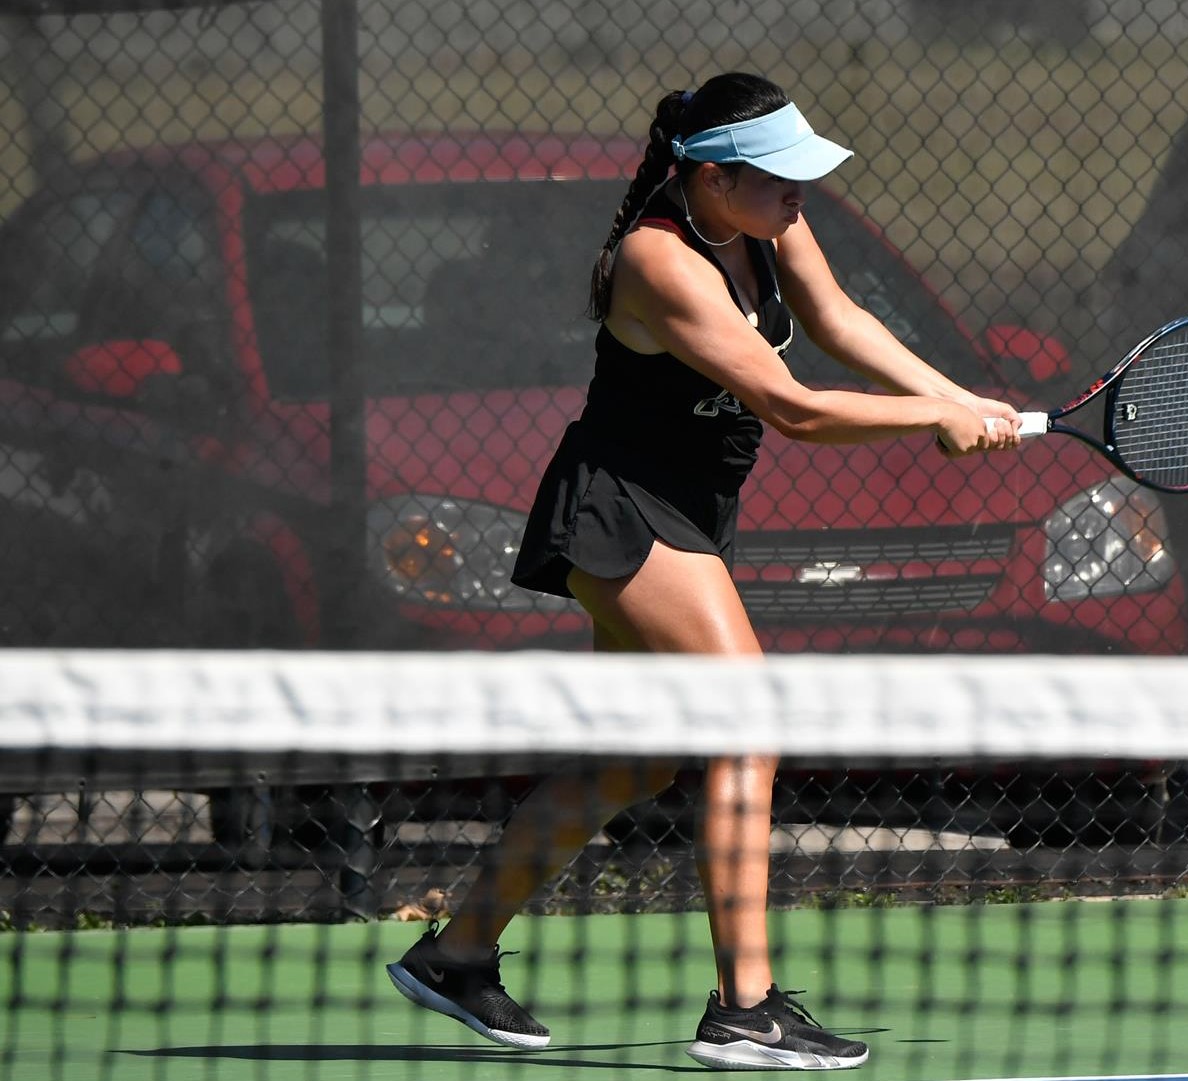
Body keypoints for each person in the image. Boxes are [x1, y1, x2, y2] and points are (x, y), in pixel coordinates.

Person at [383, 72, 1021, 1070]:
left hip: (685, 513)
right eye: (778, 180)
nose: (797, 196)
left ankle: (456, 953)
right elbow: (792, 403)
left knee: (630, 762)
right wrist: (928, 418)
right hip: (622, 512)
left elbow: (840, 322)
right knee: (746, 720)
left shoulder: (764, 222)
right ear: (712, 177)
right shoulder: (658, 258)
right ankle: (746, 1007)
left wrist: (964, 399)